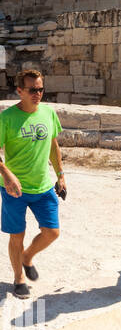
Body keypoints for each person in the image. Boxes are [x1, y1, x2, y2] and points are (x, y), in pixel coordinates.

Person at [0, 69, 64, 300]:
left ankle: (27, 257)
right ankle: (19, 278)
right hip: (13, 190)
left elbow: (53, 145)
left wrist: (61, 175)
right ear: (20, 91)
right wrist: (6, 174)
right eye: (32, 90)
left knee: (52, 232)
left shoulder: (48, 113)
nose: (38, 94)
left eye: (40, 89)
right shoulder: (6, 118)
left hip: (43, 186)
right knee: (17, 234)